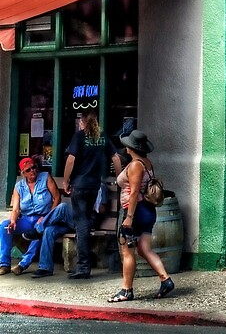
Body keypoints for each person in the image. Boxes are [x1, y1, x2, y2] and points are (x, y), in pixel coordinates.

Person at [107, 128, 174, 303]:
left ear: (131, 147)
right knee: (144, 249)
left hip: (135, 211)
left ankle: (126, 290)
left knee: (127, 251)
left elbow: (135, 191)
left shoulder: (136, 165)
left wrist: (129, 217)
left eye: (127, 145)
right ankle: (165, 279)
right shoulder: (147, 162)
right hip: (147, 211)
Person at [63, 113, 121, 279]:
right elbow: (116, 158)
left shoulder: (79, 136)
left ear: (82, 122)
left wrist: (66, 180)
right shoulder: (101, 137)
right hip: (94, 186)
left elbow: (70, 160)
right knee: (85, 223)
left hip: (79, 186)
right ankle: (85, 263)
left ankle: (83, 267)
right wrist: (119, 178)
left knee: (81, 225)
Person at [32, 183, 108, 278]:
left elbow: (102, 210)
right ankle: (45, 268)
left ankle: (38, 229)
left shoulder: (101, 187)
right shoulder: (80, 182)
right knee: (49, 230)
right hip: (73, 219)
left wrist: (89, 203)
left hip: (87, 221)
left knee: (63, 207)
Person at [0, 157, 60, 275]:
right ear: (23, 173)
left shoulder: (45, 177)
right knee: (4, 226)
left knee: (40, 228)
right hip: (27, 219)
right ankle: (4, 264)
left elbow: (57, 197)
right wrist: (13, 221)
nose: (32, 171)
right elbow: (16, 208)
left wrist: (48, 216)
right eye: (28, 170)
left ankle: (23, 264)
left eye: (34, 167)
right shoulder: (19, 186)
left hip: (43, 217)